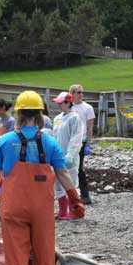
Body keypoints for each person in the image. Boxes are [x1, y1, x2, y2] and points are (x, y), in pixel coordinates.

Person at [0, 91, 82, 265]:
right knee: (44, 253)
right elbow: (62, 173)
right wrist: (75, 200)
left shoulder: (4, 140)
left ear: (18, 114)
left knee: (16, 256)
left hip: (14, 207)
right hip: (41, 208)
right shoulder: (50, 142)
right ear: (40, 116)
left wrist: (7, 187)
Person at [51, 93, 86, 221]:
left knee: (71, 182)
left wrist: (71, 155)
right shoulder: (57, 118)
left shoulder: (75, 118)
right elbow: (55, 137)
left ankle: (75, 210)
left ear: (68, 103)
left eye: (61, 103)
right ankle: (62, 211)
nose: (59, 105)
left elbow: (76, 138)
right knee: (57, 184)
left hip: (69, 156)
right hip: (57, 155)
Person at [68, 85, 96, 204]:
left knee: (79, 168)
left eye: (82, 92)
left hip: (81, 141)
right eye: (78, 92)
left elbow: (90, 128)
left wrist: (88, 144)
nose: (81, 95)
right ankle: (70, 194)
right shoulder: (69, 107)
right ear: (72, 94)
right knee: (68, 168)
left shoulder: (88, 108)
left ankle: (85, 195)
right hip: (69, 140)